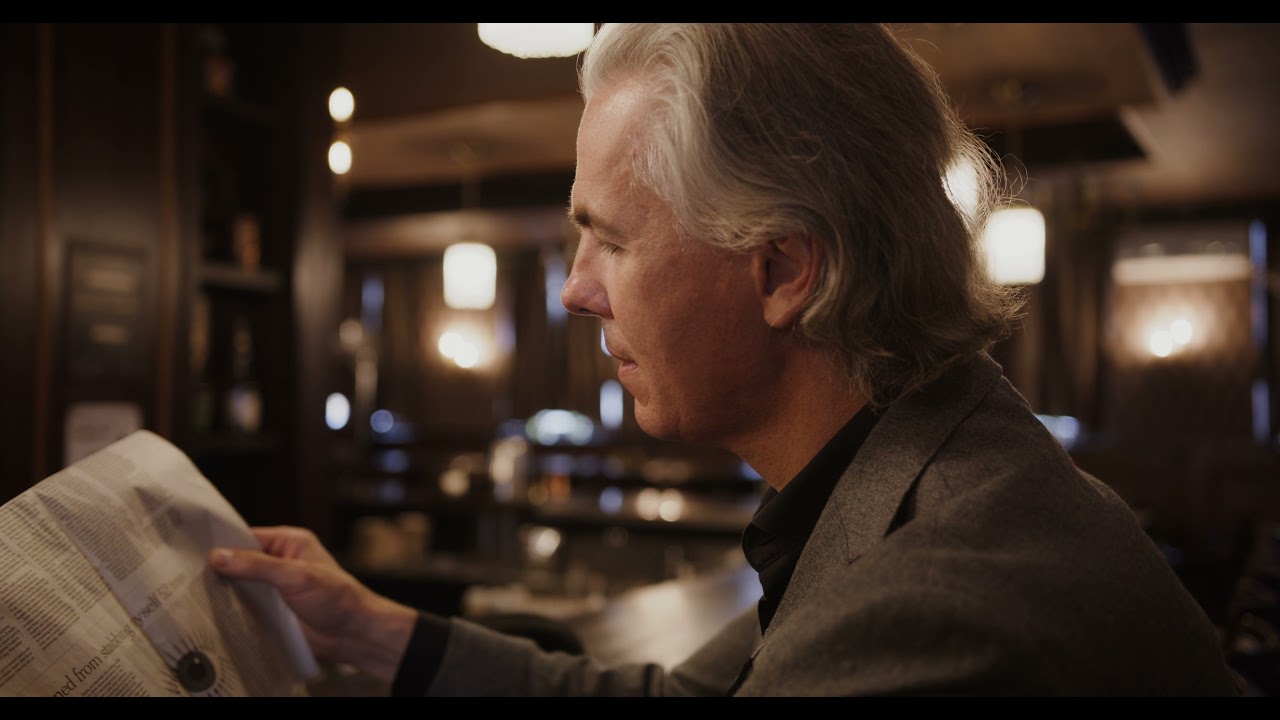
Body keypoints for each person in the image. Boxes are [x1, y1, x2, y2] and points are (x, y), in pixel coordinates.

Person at [209, 23, 1241, 696]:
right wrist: (371, 628)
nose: (573, 287)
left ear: (784, 271)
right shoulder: (928, 459)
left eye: (607, 237)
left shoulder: (928, 609)